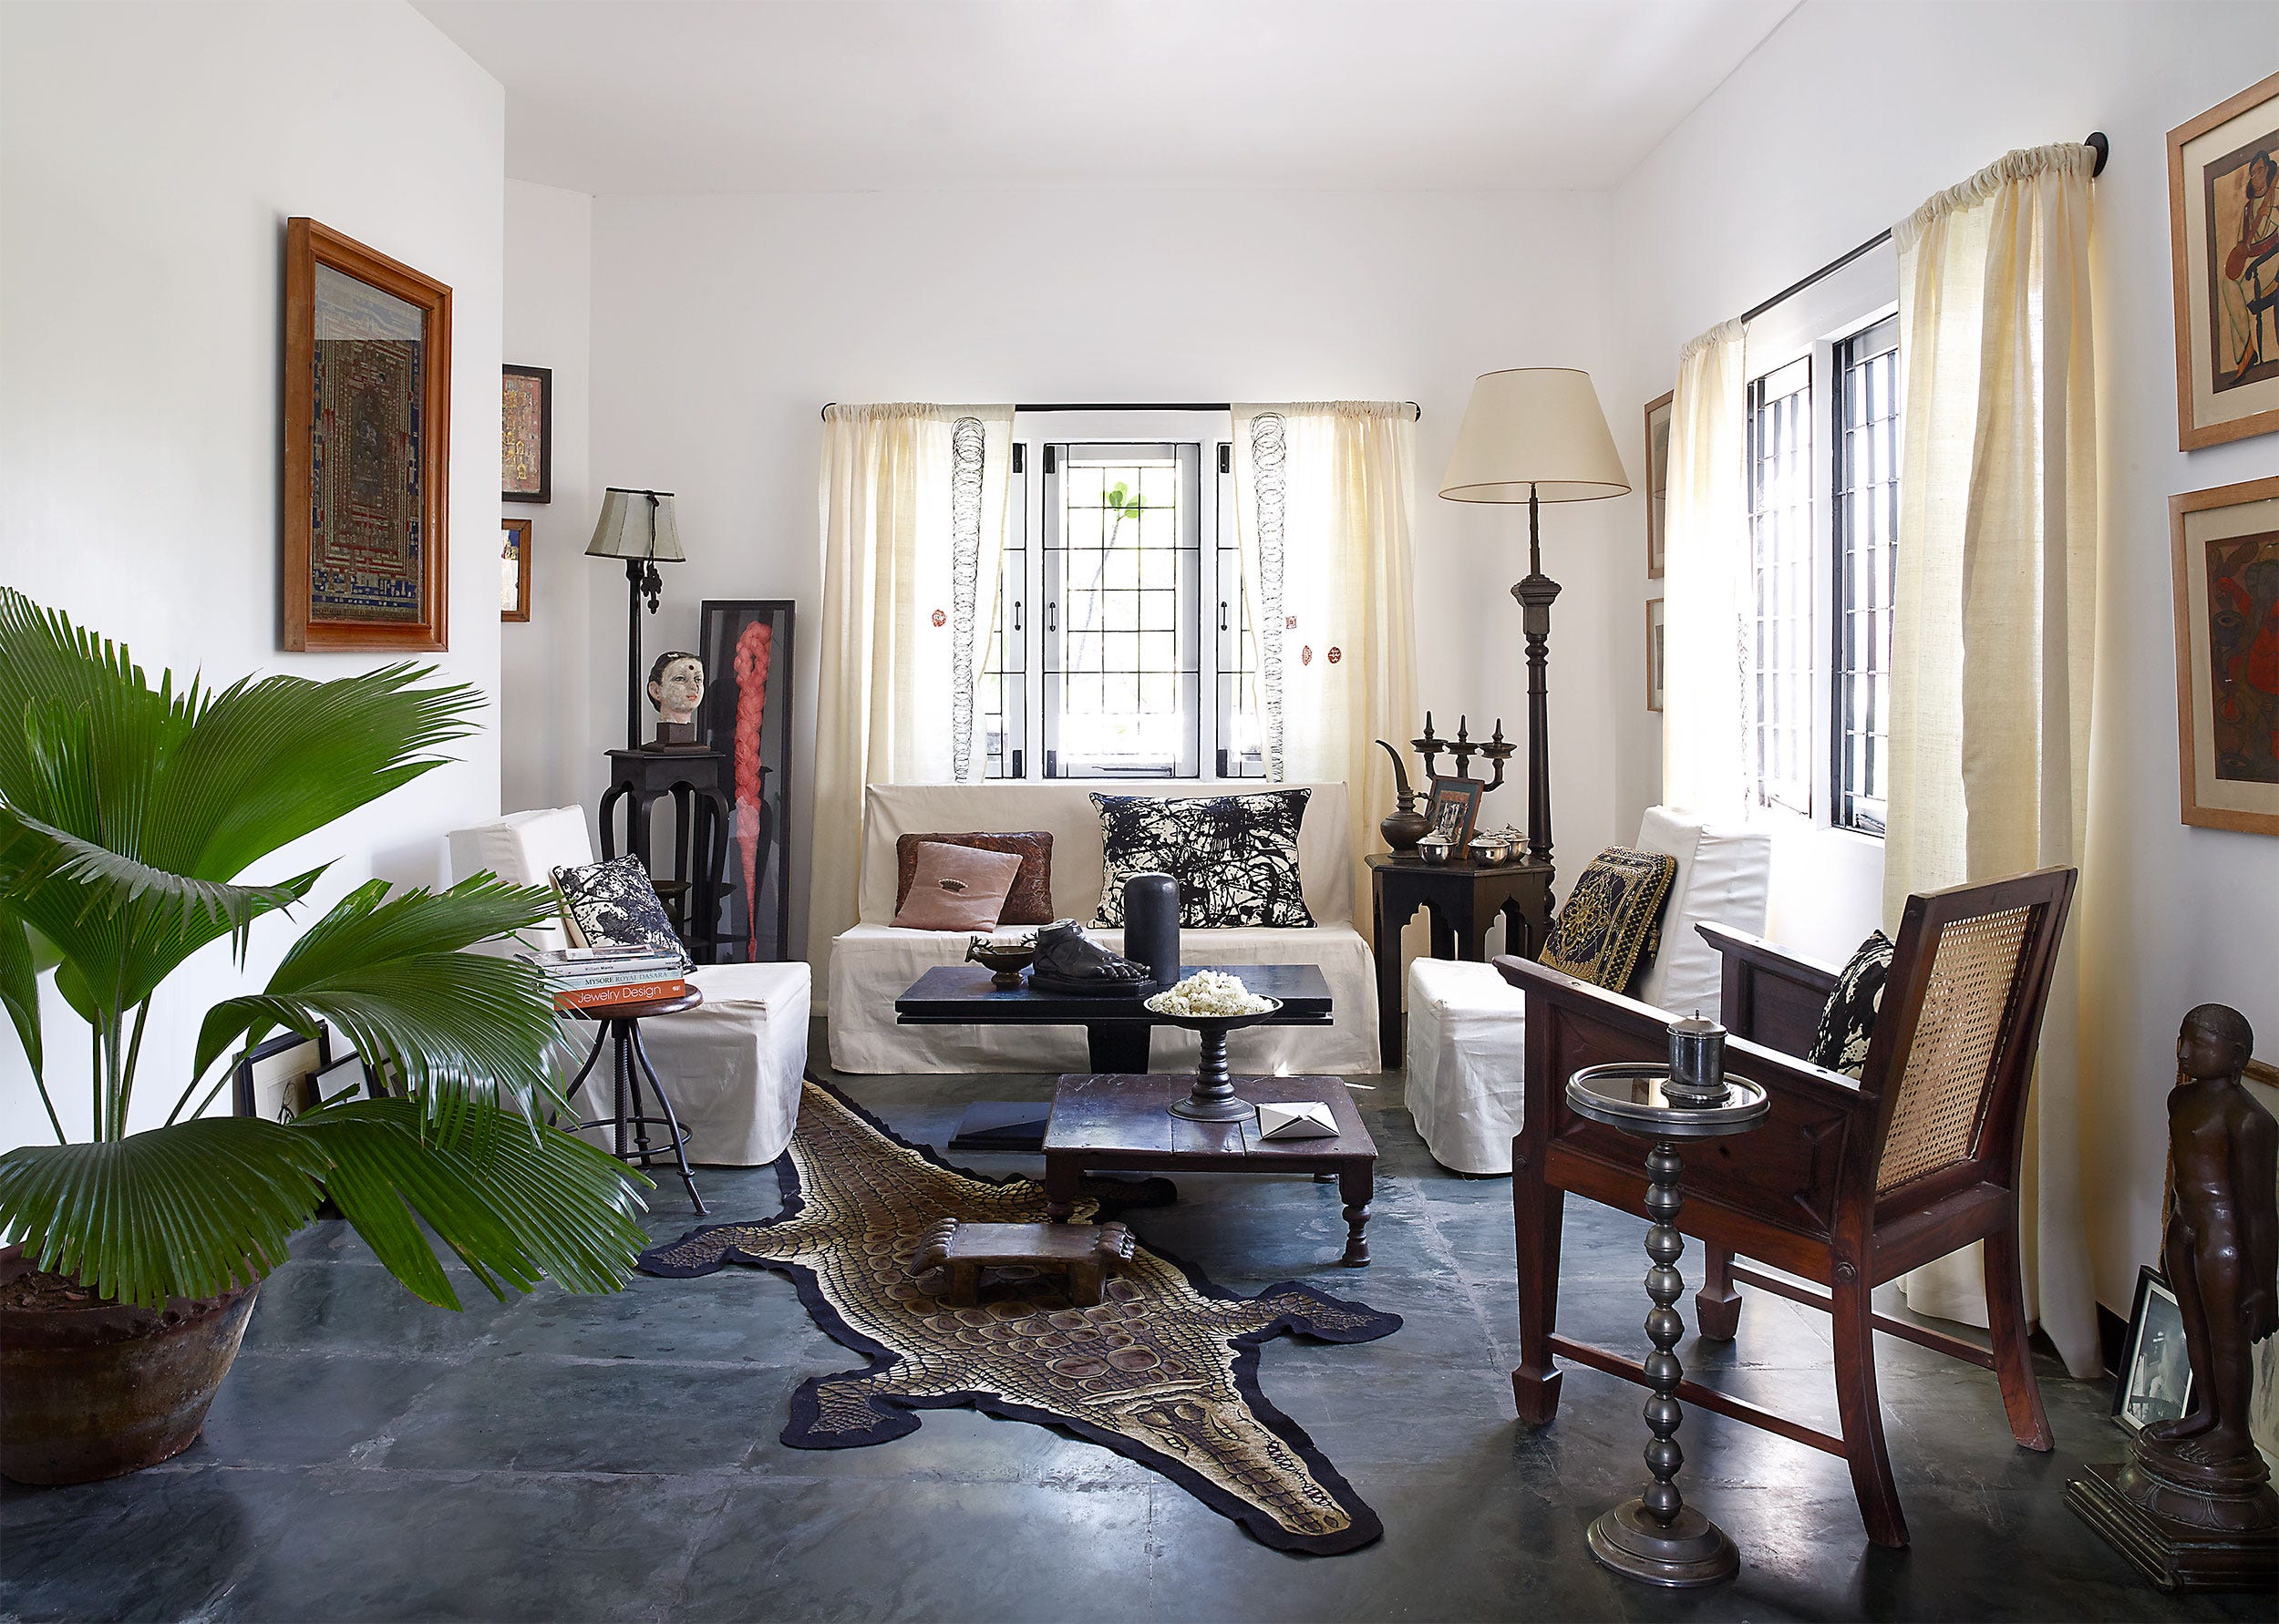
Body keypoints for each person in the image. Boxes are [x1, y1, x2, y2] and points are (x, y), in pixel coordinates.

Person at [2142, 1003, 2279, 1474]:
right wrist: (2170, 1235)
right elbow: (2182, 1176)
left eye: (2199, 1042)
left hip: (2224, 1241)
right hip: (2186, 1229)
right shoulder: (2179, 1101)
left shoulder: (2249, 1121)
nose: (2184, 1051)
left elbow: (2260, 1210)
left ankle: (2234, 1434)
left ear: (2237, 1055)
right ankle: (2206, 1414)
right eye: (2184, 1039)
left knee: (2228, 1338)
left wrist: (2264, 1285)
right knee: (2194, 1326)